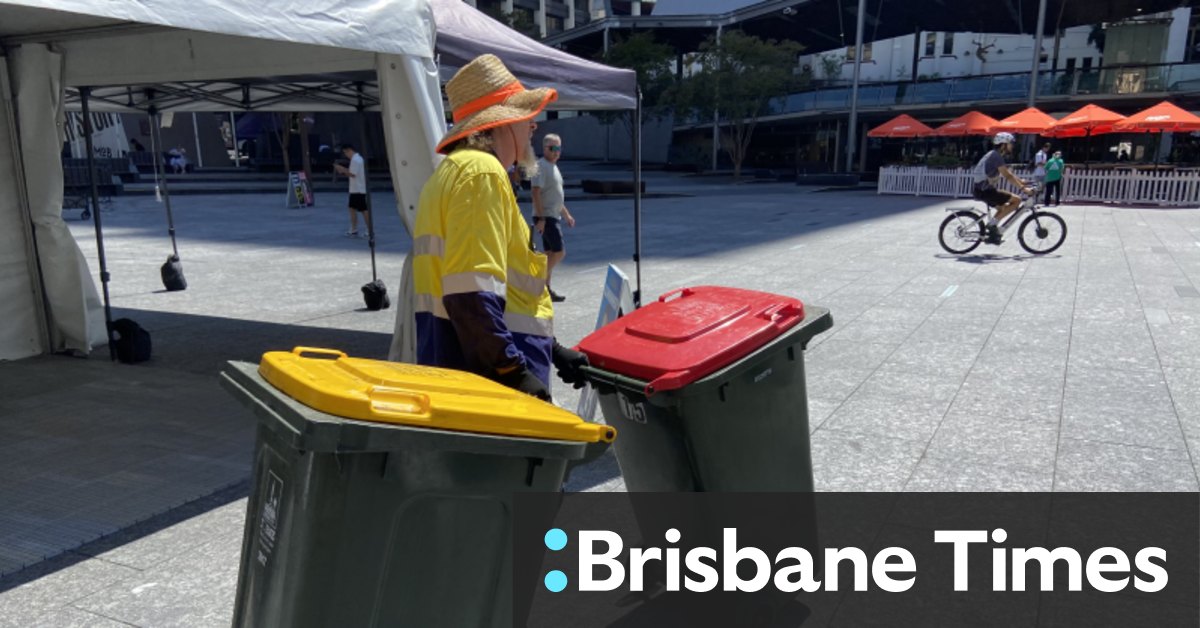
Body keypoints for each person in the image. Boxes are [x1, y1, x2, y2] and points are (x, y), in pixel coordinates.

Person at [412, 54, 587, 401]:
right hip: (490, 389)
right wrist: (514, 373)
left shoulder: (450, 172)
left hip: (459, 372)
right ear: (502, 124)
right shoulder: (482, 173)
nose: (531, 131)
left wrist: (552, 349)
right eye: (528, 122)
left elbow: (500, 293)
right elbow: (471, 295)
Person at [532, 134, 575, 303]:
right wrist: (541, 218)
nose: (556, 152)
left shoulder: (554, 167)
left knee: (550, 253)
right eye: (553, 148)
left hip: (553, 216)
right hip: (546, 217)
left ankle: (546, 290)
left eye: (559, 148)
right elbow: (535, 192)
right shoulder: (541, 166)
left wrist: (567, 215)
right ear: (544, 149)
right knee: (559, 252)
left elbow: (556, 197)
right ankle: (536, 283)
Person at [972, 132, 1033, 245]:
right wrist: (1023, 188)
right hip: (986, 191)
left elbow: (1008, 173)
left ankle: (992, 234)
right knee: (1017, 200)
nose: (1012, 146)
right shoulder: (996, 156)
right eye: (1010, 144)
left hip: (981, 190)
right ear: (1003, 144)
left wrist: (1021, 181)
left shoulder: (994, 154)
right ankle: (992, 225)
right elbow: (1007, 176)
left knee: (1002, 208)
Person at [334, 143, 368, 237]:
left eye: (345, 152)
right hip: (355, 189)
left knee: (363, 209)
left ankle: (369, 229)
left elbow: (352, 174)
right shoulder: (357, 159)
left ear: (349, 150)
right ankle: (354, 228)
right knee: (352, 208)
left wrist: (342, 169)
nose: (346, 155)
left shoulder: (356, 160)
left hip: (358, 189)